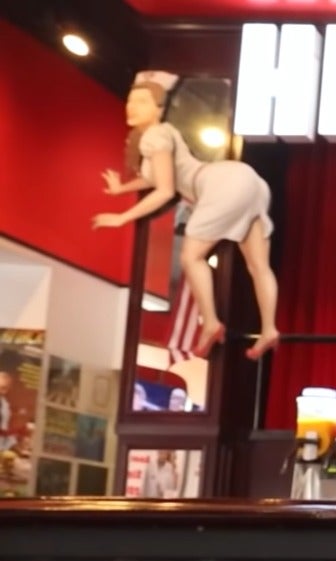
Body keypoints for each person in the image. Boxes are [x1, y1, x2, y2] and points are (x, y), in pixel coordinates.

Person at [92, 77, 281, 360]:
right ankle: (269, 329)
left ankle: (211, 322)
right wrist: (122, 189)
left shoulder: (155, 137)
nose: (131, 107)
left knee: (191, 258)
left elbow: (165, 189)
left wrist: (122, 217)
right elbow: (152, 176)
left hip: (217, 184)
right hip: (247, 180)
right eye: (131, 101)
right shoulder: (162, 134)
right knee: (258, 265)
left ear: (158, 108)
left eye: (141, 102)